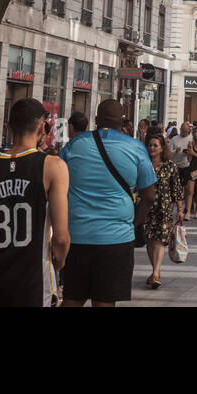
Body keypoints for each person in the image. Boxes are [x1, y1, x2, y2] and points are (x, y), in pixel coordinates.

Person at [0, 98, 69, 306]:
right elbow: (61, 238)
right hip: (33, 282)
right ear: (42, 127)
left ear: (9, 127)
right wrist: (60, 261)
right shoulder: (52, 166)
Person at [58, 100, 157, 307]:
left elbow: (57, 185)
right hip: (116, 238)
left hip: (77, 235)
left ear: (95, 119)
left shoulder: (75, 145)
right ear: (123, 121)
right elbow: (149, 196)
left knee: (72, 299)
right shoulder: (136, 148)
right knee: (105, 301)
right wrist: (134, 223)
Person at [142, 132, 184, 289]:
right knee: (149, 240)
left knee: (159, 240)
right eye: (150, 145)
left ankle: (156, 272)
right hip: (145, 207)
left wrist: (180, 209)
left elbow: (176, 189)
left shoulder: (170, 166)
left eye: (155, 145)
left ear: (162, 148)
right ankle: (154, 269)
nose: (152, 148)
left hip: (164, 207)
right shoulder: (143, 164)